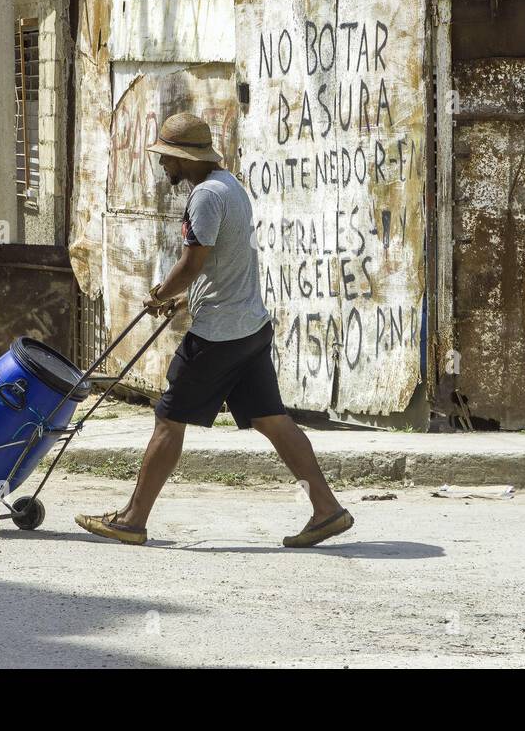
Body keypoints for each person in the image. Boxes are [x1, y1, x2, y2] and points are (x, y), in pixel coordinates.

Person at [76, 113, 354, 548]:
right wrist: (187, 298)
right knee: (273, 420)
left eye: (167, 158)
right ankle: (326, 509)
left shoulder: (205, 197)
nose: (164, 166)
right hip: (249, 327)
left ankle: (132, 520)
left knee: (169, 419)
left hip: (217, 337)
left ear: (183, 158)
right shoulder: (231, 187)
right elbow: (226, 264)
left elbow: (194, 263)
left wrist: (161, 294)